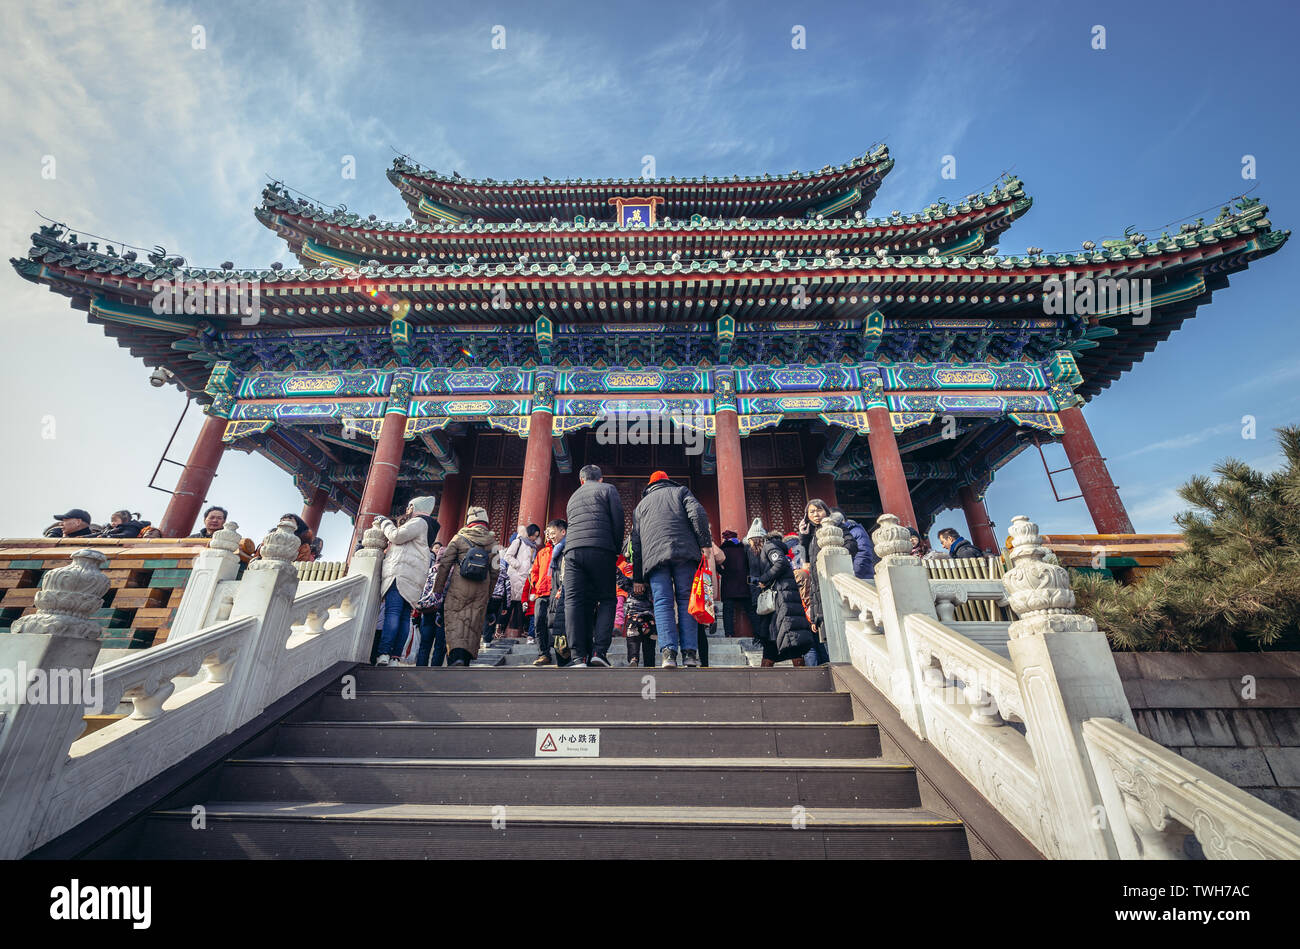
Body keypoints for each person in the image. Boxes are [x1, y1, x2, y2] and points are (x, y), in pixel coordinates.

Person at [630, 469, 713, 669]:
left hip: (654, 558)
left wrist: (638, 578)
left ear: (650, 486)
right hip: (684, 553)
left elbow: (636, 544)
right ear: (668, 482)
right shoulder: (681, 492)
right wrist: (705, 542)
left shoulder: (640, 506)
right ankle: (690, 654)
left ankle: (668, 653)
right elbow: (698, 513)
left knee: (662, 602)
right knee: (686, 600)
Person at [563, 464, 625, 668]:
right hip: (601, 549)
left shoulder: (572, 496)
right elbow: (618, 521)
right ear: (600, 479)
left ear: (581, 480)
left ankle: (578, 656)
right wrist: (616, 548)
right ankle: (599, 651)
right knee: (607, 599)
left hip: (572, 552)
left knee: (574, 601)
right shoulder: (608, 489)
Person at [373, 498, 439, 666]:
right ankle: (395, 657)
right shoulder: (428, 527)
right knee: (404, 618)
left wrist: (385, 523)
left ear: (413, 507)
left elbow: (397, 536)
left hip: (401, 573)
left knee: (393, 613)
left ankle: (384, 653)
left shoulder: (418, 522)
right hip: (414, 577)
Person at [433, 506, 501, 667]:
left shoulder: (459, 538)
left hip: (459, 584)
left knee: (456, 619)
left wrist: (438, 589)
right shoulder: (493, 542)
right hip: (481, 587)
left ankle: (455, 656)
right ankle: (466, 659)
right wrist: (488, 593)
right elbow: (495, 571)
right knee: (473, 622)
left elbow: (445, 564)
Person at [753, 529, 815, 667]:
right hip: (785, 599)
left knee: (783, 638)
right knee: (786, 641)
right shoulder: (778, 548)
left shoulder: (769, 546)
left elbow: (780, 562)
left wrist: (764, 579)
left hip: (780, 600)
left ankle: (763, 682)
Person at [527, 520, 564, 666]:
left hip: (556, 592)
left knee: (555, 624)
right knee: (539, 622)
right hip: (541, 593)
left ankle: (560, 653)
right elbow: (534, 572)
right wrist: (536, 584)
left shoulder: (562, 550)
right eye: (547, 532)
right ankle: (543, 654)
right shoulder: (542, 553)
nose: (549, 535)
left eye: (552, 532)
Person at [499, 523, 541, 637]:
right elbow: (508, 556)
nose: (535, 538)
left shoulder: (533, 547)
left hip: (525, 578)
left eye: (537, 536)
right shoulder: (518, 542)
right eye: (534, 535)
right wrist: (518, 565)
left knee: (524, 606)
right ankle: (501, 630)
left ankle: (524, 630)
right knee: (509, 605)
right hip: (514, 577)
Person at [716, 529, 754, 639]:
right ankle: (758, 633)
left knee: (728, 612)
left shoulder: (722, 550)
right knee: (750, 611)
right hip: (744, 585)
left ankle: (729, 633)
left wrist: (724, 572)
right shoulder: (744, 549)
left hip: (729, 585)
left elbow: (719, 567)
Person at [832, 507, 876, 580]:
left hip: (860, 577)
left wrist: (854, 575)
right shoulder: (839, 534)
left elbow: (863, 556)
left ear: (842, 520)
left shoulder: (856, 531)